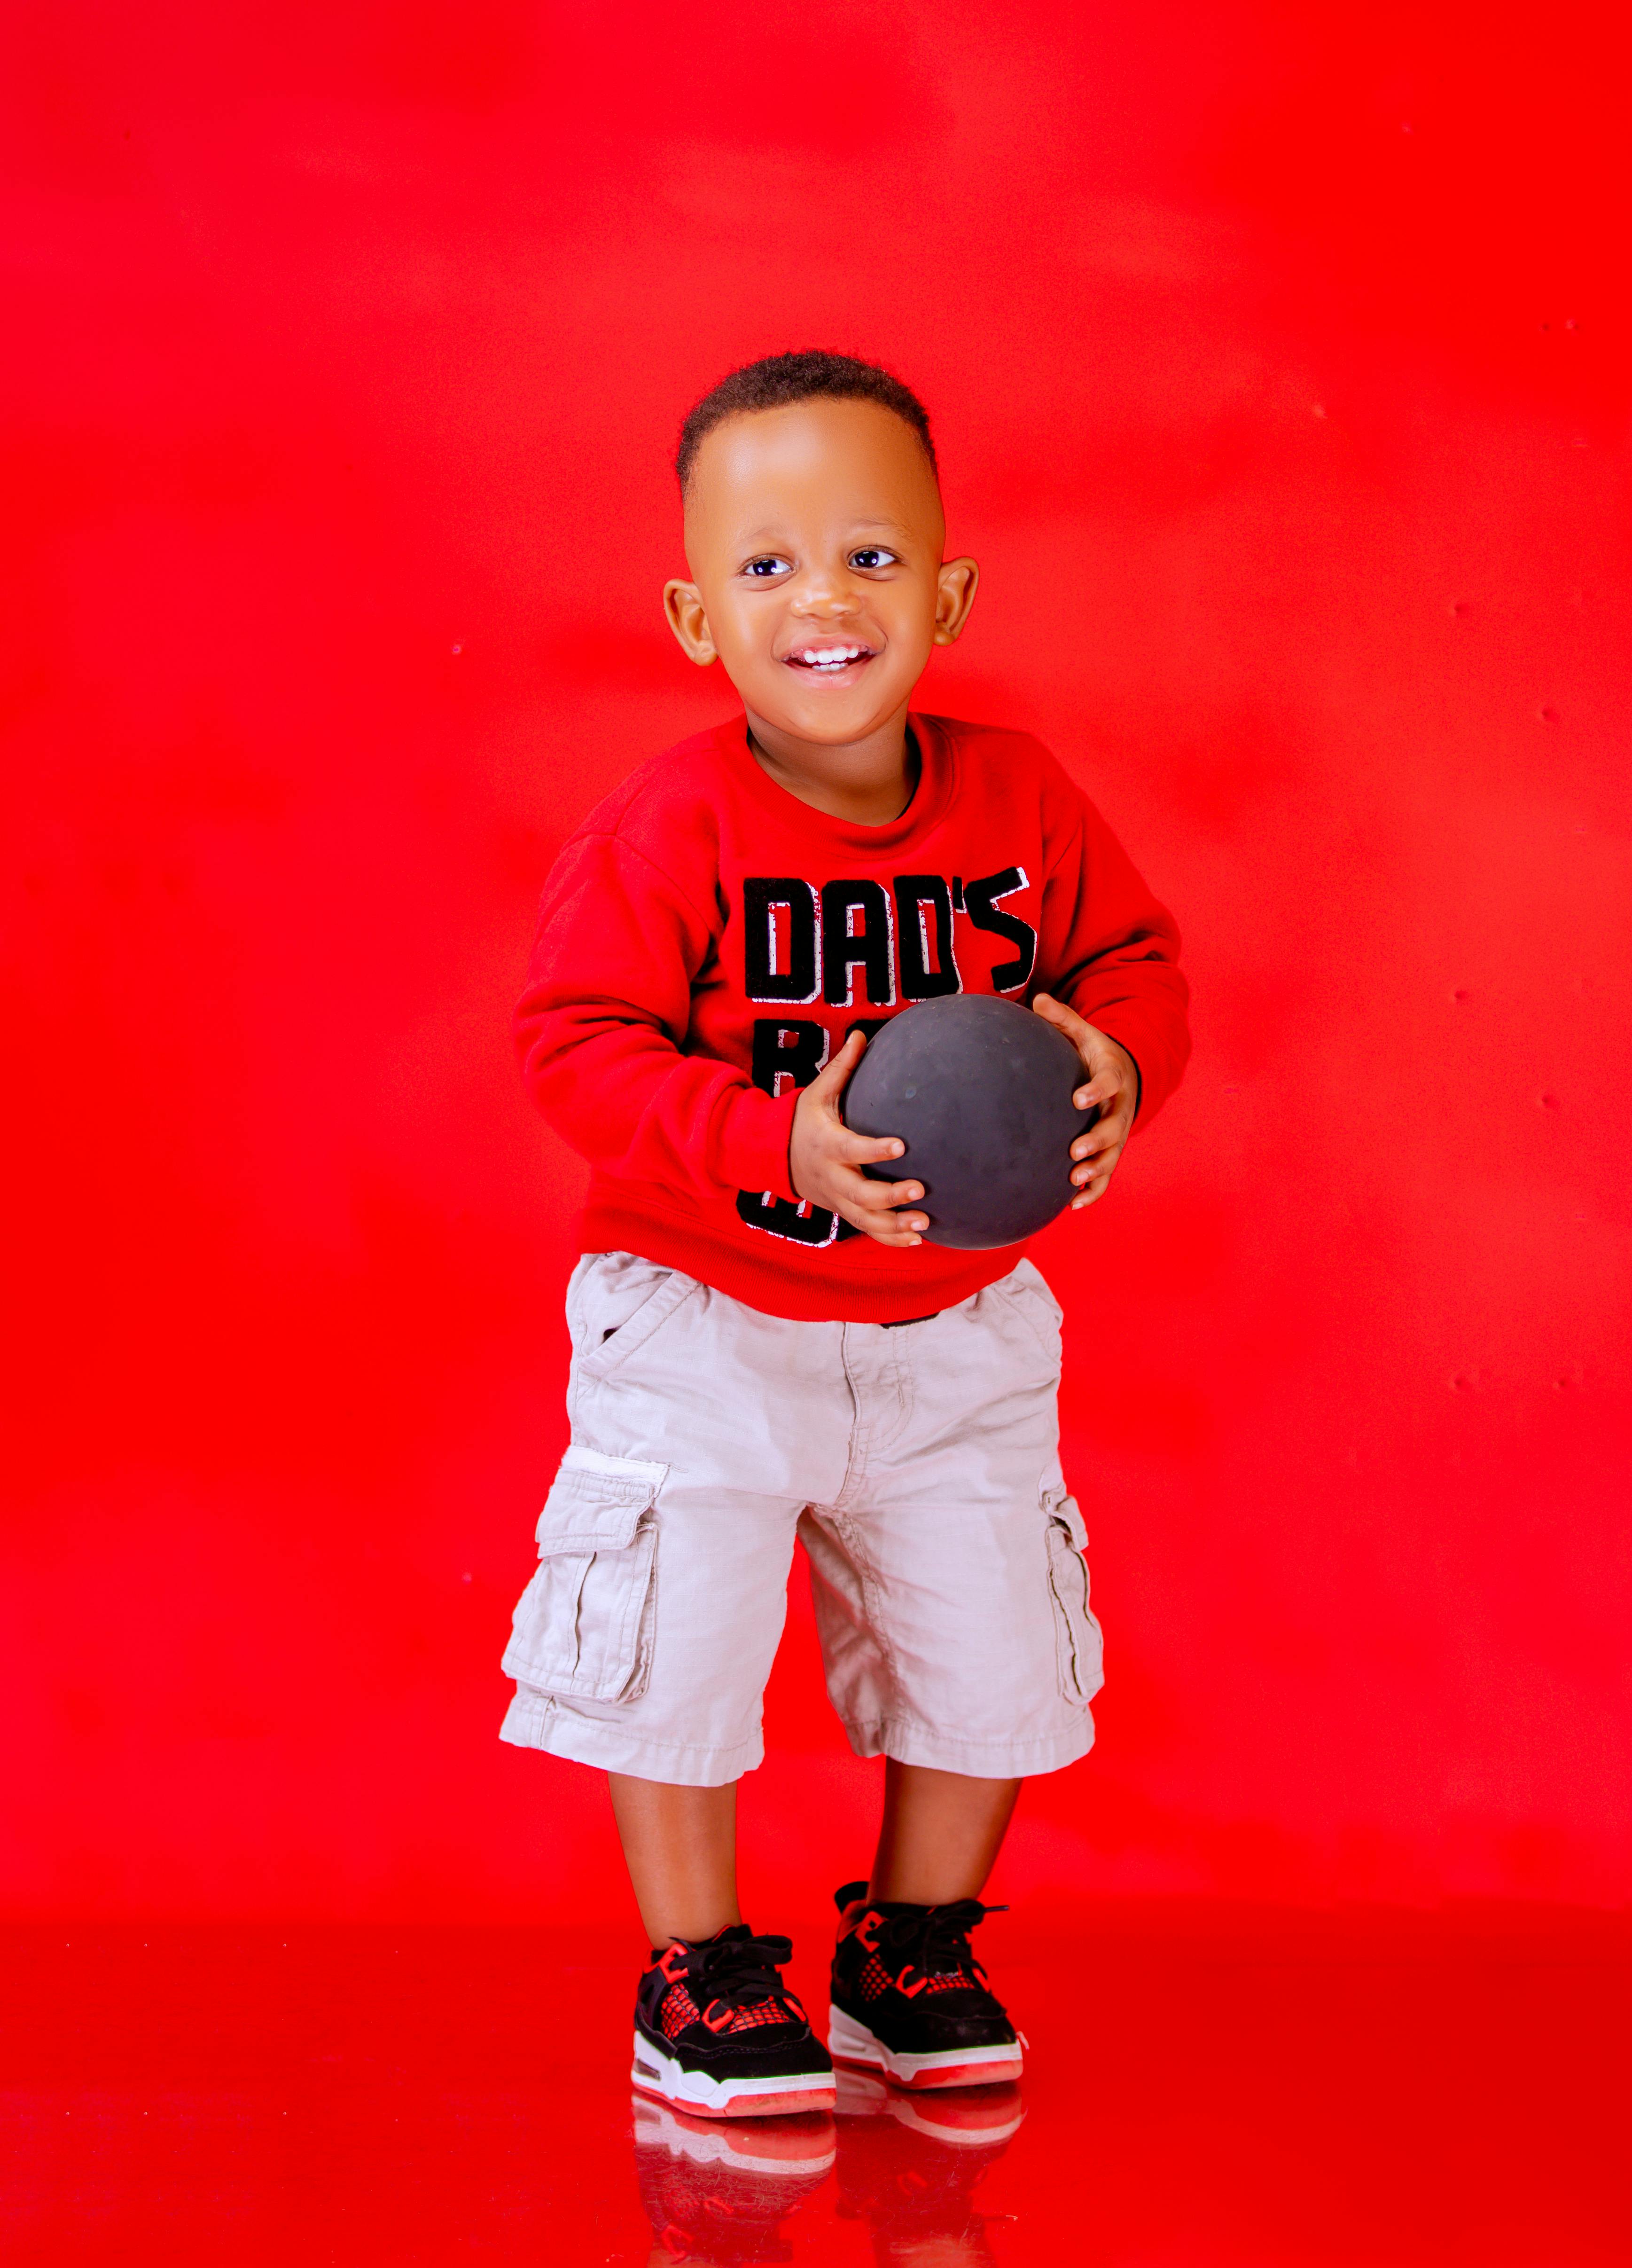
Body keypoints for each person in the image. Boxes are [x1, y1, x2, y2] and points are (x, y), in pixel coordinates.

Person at [502, 350, 1189, 2119]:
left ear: (947, 596)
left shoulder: (1019, 798)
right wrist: (772, 1139)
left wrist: (1121, 1058)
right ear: (694, 619)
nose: (823, 598)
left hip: (953, 1320)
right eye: (766, 565)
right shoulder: (665, 831)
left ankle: (911, 1948)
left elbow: (1132, 960)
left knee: (993, 1642)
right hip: (706, 1312)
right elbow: (573, 1044)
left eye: (872, 558)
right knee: (676, 1638)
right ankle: (698, 1970)